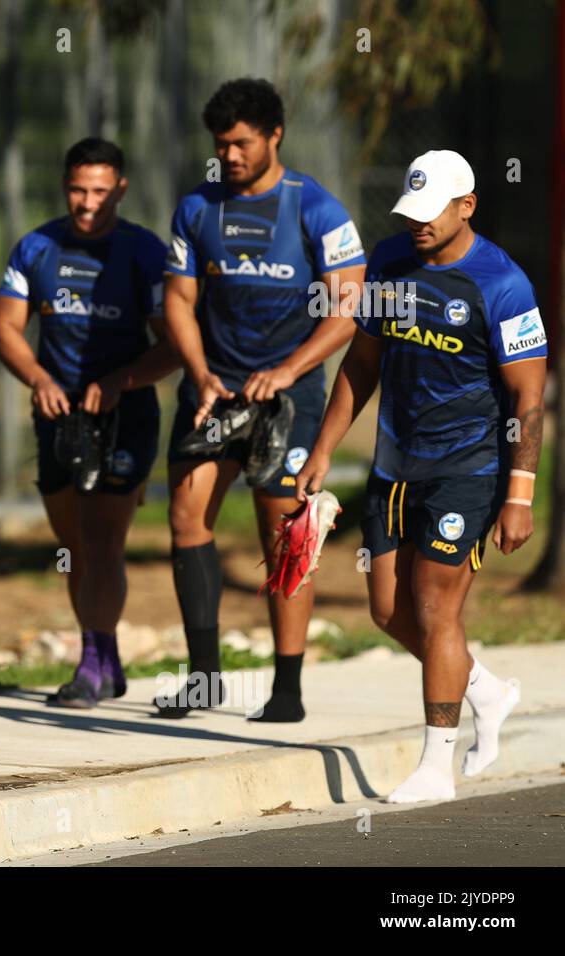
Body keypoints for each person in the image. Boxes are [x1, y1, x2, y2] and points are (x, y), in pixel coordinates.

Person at [296, 150, 541, 802]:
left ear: (468, 206)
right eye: (411, 213)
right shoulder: (388, 261)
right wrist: (323, 450)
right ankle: (486, 690)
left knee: (436, 604)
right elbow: (361, 364)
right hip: (393, 467)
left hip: (471, 468)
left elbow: (529, 402)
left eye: (431, 213)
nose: (417, 225)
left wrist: (520, 495)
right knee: (387, 610)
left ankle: (437, 766)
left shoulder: (504, 284)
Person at [160, 78, 365, 721]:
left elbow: (346, 312)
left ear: (274, 135)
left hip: (290, 396)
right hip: (215, 390)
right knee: (186, 520)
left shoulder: (318, 211)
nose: (231, 155)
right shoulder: (197, 207)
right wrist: (199, 373)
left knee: (286, 538)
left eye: (243, 143)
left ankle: (287, 689)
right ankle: (204, 679)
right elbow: (179, 299)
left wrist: (286, 370)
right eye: (222, 144)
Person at [0, 137, 179, 709]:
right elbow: (5, 329)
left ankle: (92, 663)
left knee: (102, 541)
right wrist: (40, 380)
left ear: (120, 189)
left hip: (124, 416)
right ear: (65, 186)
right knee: (74, 541)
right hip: (58, 416)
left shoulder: (145, 252)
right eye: (78, 189)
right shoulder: (37, 248)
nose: (88, 202)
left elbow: (172, 343)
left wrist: (122, 380)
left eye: (101, 191)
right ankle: (108, 659)